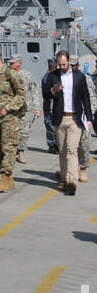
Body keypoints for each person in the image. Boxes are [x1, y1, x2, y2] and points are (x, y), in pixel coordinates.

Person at [48, 49, 93, 195]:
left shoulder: (80, 77)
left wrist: (89, 118)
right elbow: (45, 94)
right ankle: (64, 178)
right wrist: (53, 90)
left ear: (68, 61)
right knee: (62, 151)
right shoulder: (53, 76)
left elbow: (85, 98)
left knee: (72, 150)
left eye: (64, 64)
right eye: (59, 64)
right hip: (60, 118)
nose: (61, 66)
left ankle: (72, 181)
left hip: (75, 118)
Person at [0, 46, 25, 193]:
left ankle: (5, 177)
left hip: (8, 118)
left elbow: (21, 97)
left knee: (8, 147)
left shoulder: (10, 74)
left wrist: (7, 108)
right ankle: (7, 178)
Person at [9, 54, 39, 165]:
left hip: (26, 108)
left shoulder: (27, 75)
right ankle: (12, 151)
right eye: (10, 63)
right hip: (11, 108)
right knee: (11, 132)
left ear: (19, 63)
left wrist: (37, 108)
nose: (10, 64)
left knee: (24, 132)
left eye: (13, 63)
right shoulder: (7, 75)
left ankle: (21, 151)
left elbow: (34, 91)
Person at [71, 57, 92, 181]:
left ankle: (83, 169)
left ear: (77, 65)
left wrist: (89, 116)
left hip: (83, 117)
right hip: (68, 116)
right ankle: (70, 171)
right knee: (69, 147)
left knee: (83, 144)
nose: (72, 68)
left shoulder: (85, 78)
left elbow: (91, 99)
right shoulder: (63, 77)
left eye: (74, 65)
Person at [42, 59, 60, 153]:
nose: (50, 65)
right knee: (48, 123)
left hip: (54, 103)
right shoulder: (47, 75)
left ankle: (57, 144)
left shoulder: (57, 75)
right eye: (49, 63)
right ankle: (52, 145)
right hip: (47, 102)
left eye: (52, 63)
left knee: (55, 124)